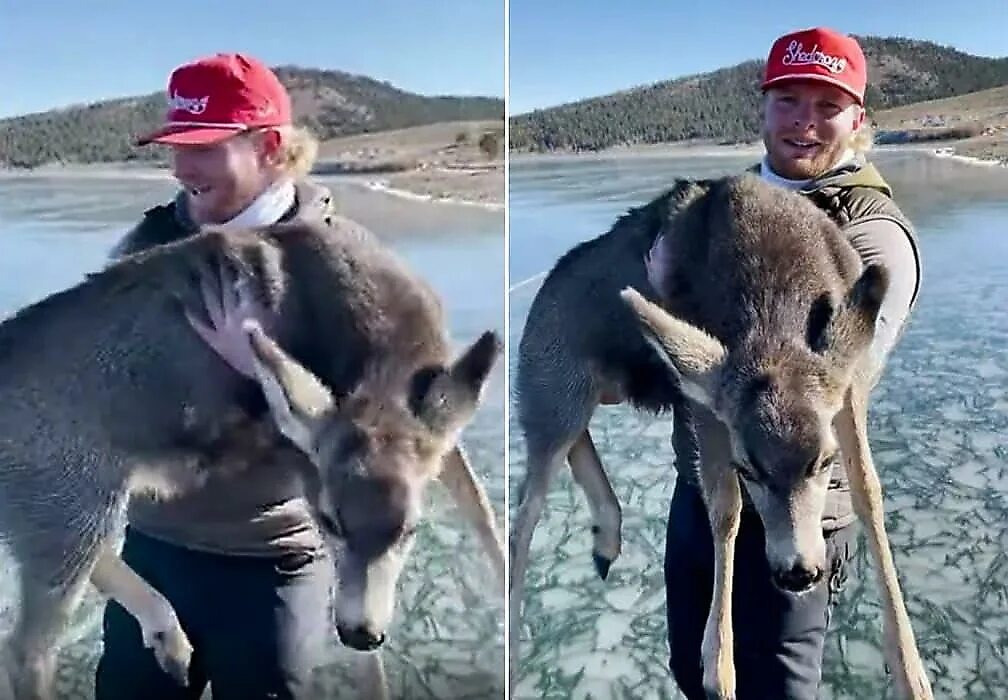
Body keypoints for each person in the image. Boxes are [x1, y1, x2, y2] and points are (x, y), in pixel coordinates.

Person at [663, 27, 923, 699]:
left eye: (827, 105)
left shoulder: (873, 231)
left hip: (802, 510)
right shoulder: (716, 208)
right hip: (704, 498)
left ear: (858, 120)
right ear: (764, 107)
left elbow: (843, 372)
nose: (805, 122)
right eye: (789, 100)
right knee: (695, 680)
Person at [95, 52, 340, 700]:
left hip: (273, 558)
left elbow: (375, 437)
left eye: (203, 147)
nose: (181, 168)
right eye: (175, 145)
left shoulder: (342, 268)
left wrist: (258, 369)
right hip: (152, 550)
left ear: (270, 147)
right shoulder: (143, 248)